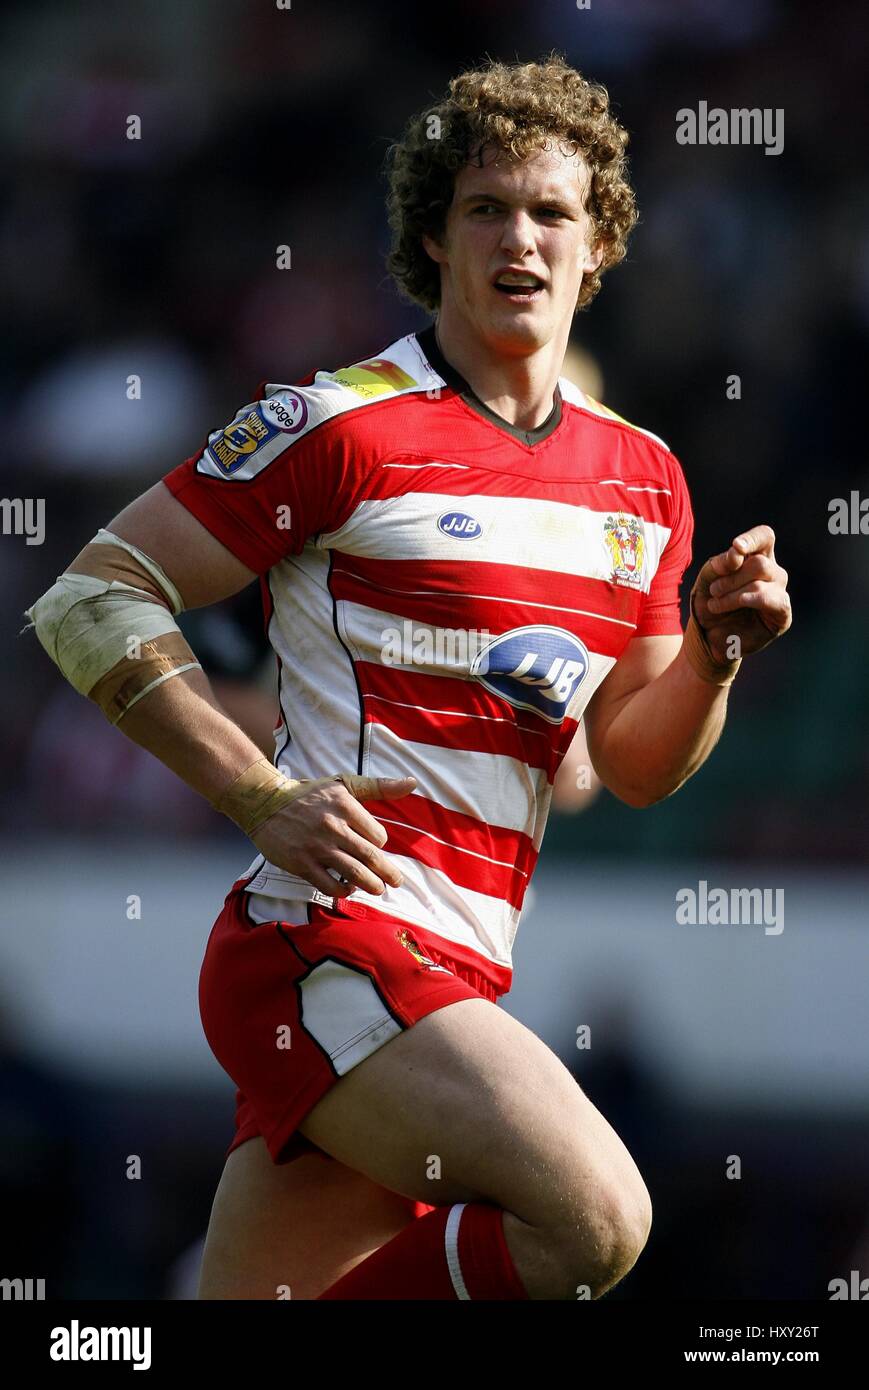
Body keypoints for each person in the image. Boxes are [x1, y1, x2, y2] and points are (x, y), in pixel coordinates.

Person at [23, 54, 792, 1300]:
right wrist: (255, 795)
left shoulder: (643, 480)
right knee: (593, 1221)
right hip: (325, 946)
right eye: (484, 208)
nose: (519, 238)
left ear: (596, 249)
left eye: (551, 212)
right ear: (432, 238)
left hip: (456, 966)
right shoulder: (341, 425)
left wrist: (711, 654)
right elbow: (89, 596)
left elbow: (638, 764)